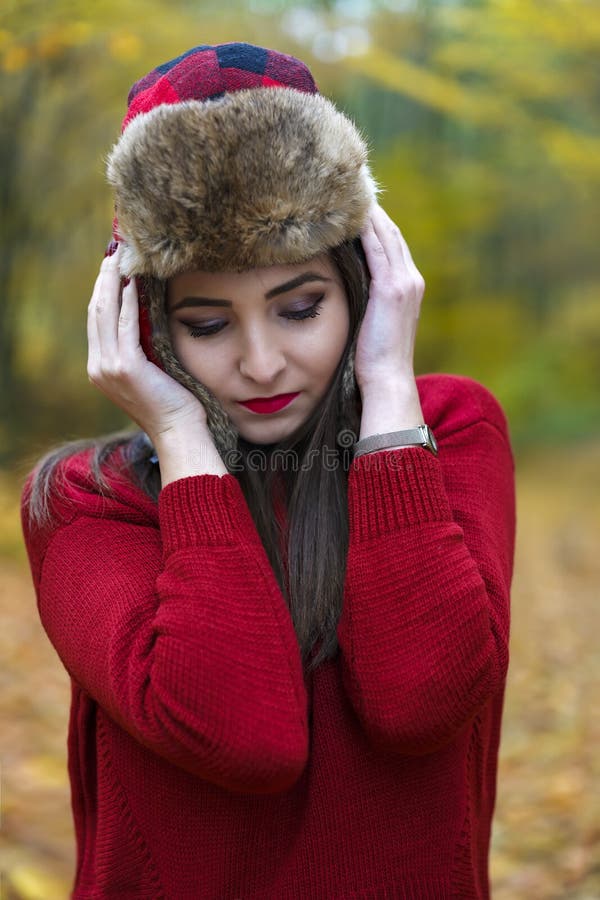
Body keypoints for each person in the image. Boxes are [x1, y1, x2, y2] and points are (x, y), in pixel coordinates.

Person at [21, 42, 515, 899]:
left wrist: (390, 396)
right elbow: (245, 738)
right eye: (208, 324)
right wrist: (180, 437)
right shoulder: (87, 502)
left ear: (366, 286)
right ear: (144, 328)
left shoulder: (450, 430)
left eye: (300, 308)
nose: (262, 363)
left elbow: (421, 703)